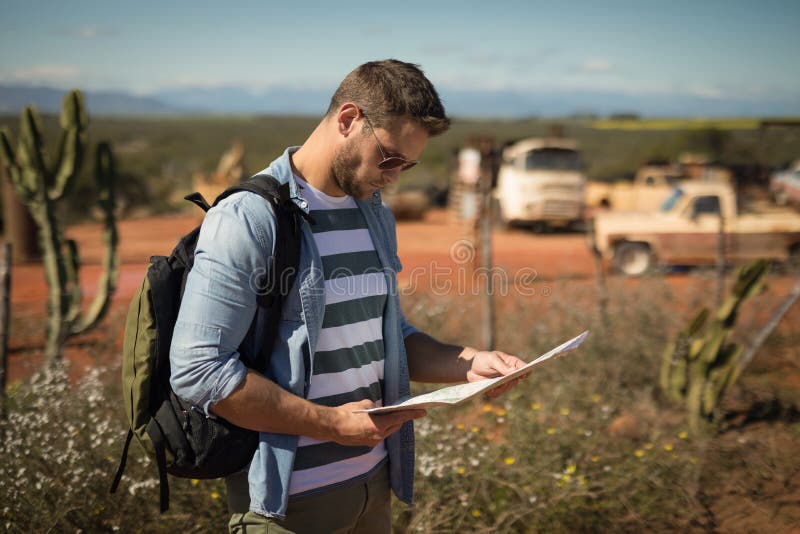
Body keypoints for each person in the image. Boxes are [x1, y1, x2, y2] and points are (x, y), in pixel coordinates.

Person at [169, 59, 527, 533]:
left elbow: (386, 335)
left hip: (373, 490)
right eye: (390, 157)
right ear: (348, 120)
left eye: (409, 165)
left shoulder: (373, 214)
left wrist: (468, 363)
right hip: (288, 508)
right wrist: (330, 425)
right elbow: (199, 371)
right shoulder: (248, 218)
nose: (396, 176)